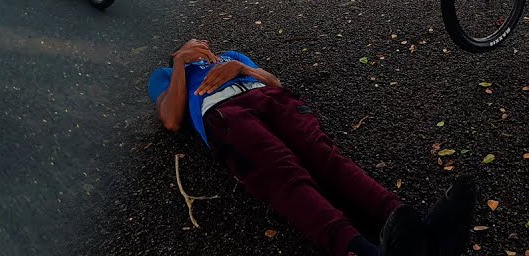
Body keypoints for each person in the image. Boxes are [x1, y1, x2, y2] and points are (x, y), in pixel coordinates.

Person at [149, 39, 476, 256]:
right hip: (224, 114)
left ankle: (416, 231)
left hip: (271, 99)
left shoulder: (231, 57)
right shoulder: (167, 74)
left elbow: (274, 82)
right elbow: (171, 119)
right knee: (282, 172)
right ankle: (362, 250)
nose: (201, 46)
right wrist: (180, 63)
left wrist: (242, 68)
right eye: (192, 45)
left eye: (202, 44)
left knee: (325, 157)